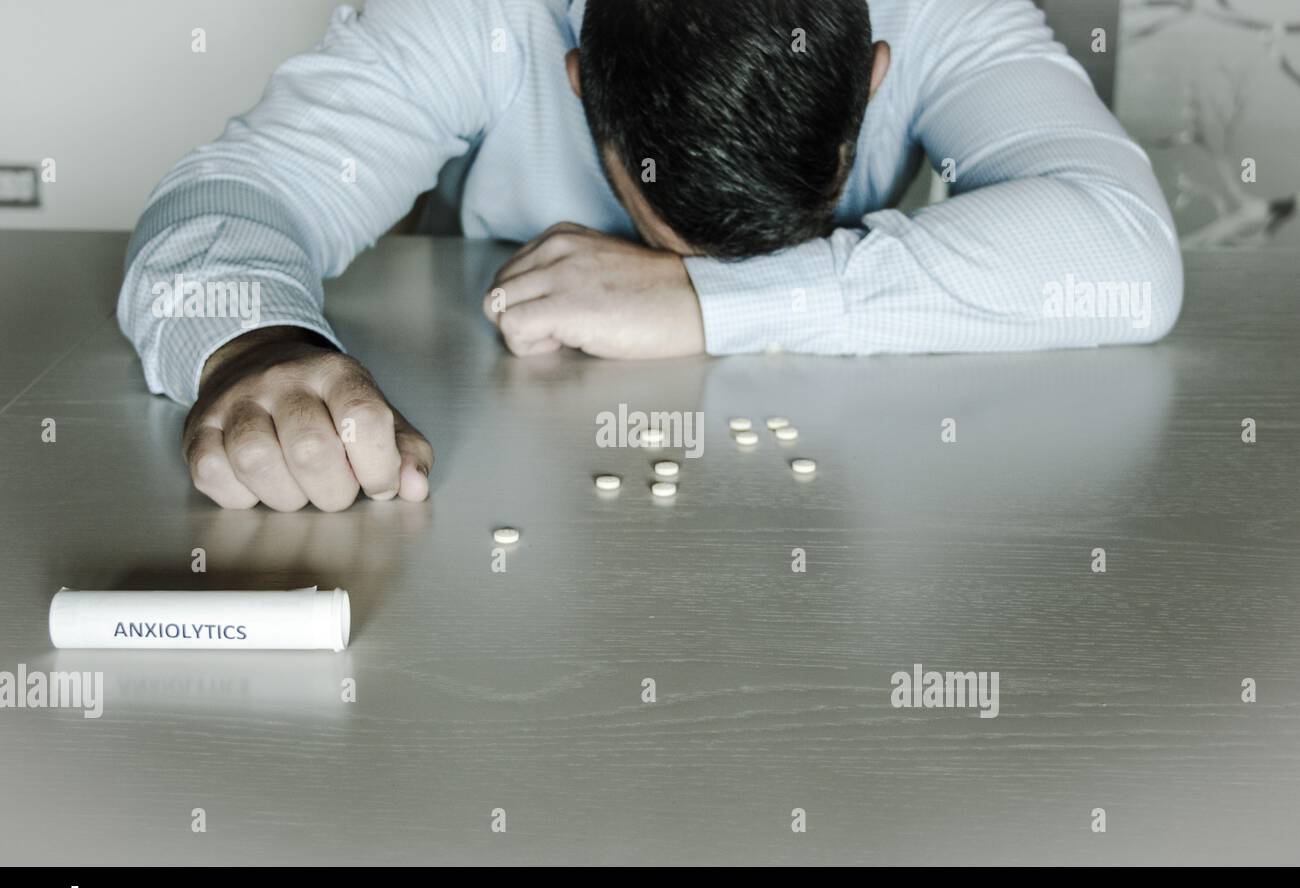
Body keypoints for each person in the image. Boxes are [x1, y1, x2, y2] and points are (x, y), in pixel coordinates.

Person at [116, 0, 1183, 512]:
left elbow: (1125, 246)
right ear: (579, 83)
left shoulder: (941, 5)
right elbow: (238, 192)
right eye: (670, 239)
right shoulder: (478, 16)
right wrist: (257, 343)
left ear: (876, 74)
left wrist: (703, 301)